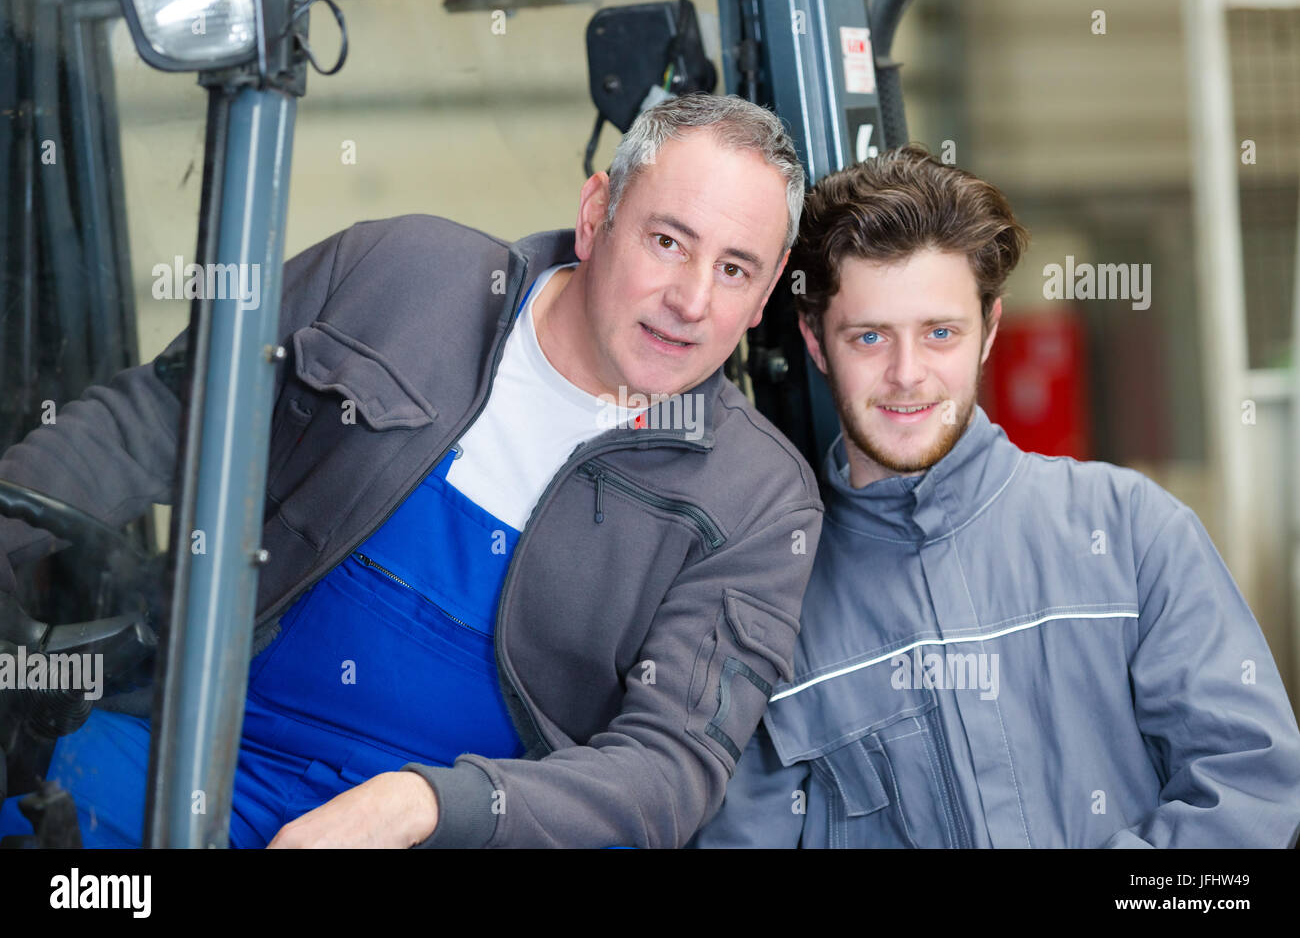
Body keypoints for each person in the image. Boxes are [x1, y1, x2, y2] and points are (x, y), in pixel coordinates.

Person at [0, 93, 823, 848]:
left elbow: (667, 771)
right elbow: (158, 421)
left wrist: (419, 805)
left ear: (760, 303)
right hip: (193, 743)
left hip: (464, 826)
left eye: (734, 269)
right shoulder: (395, 275)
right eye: (668, 240)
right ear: (596, 214)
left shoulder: (757, 499)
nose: (691, 300)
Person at [692, 143, 1300, 848]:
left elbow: (1250, 788)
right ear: (817, 344)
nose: (907, 374)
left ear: (989, 333)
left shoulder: (1132, 533)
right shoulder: (771, 605)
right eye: (869, 337)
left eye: (940, 333)